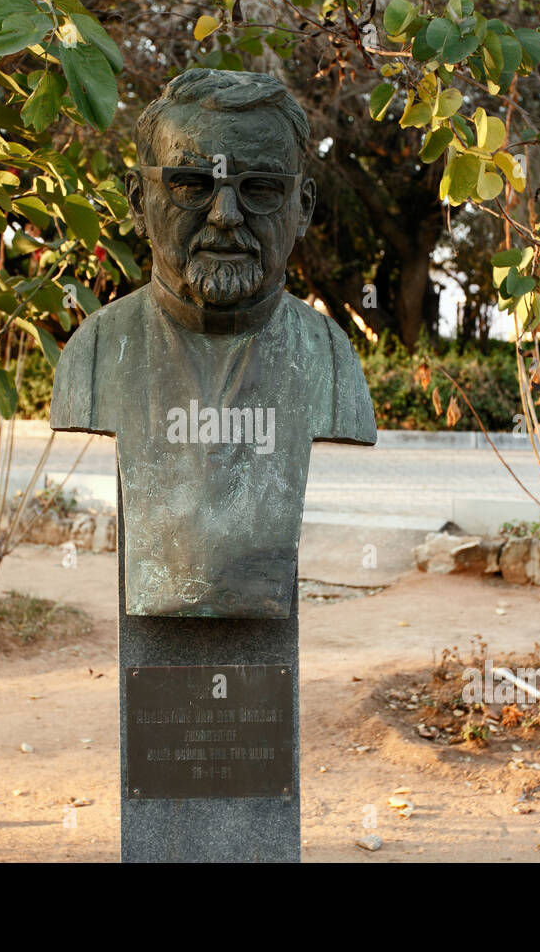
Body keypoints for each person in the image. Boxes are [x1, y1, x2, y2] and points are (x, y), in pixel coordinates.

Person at [51, 69, 375, 619]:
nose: (226, 216)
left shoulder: (331, 360)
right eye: (192, 186)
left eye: (262, 188)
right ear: (137, 199)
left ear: (303, 207)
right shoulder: (96, 351)